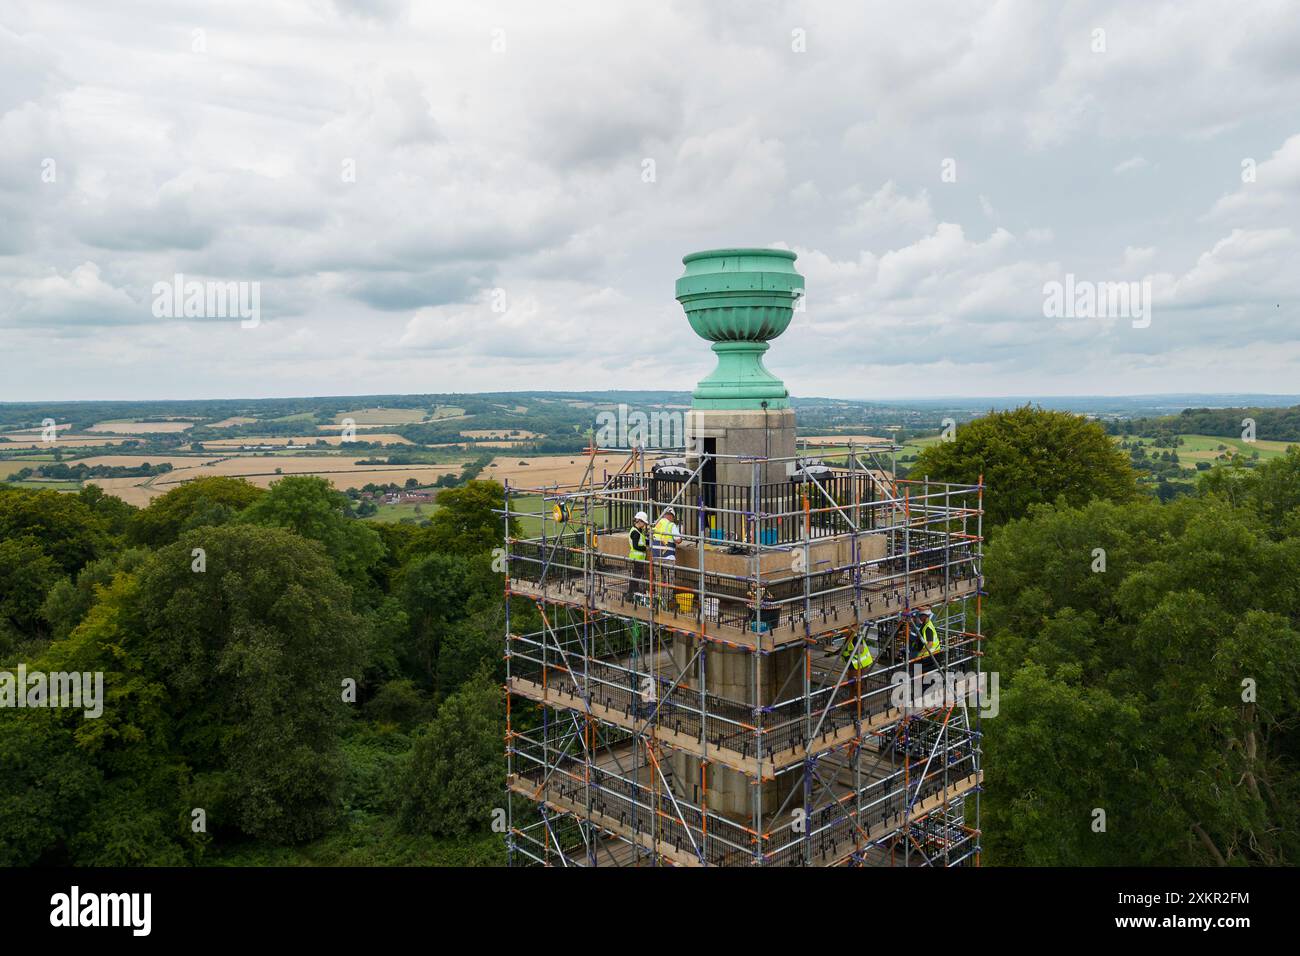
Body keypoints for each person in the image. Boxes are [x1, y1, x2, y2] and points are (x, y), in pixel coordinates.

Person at [651, 506, 680, 609]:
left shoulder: (656, 524)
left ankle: (659, 600)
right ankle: (666, 602)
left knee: (659, 579)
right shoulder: (671, 525)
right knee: (669, 580)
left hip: (655, 556)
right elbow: (678, 539)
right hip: (668, 557)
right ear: (671, 516)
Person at [627, 511, 650, 597]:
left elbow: (643, 540)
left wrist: (651, 541)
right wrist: (645, 548)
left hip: (639, 558)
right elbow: (636, 546)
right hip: (637, 558)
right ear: (639, 521)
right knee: (636, 576)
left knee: (636, 576)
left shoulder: (639, 531)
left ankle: (633, 593)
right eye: (643, 522)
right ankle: (631, 593)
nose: (644, 524)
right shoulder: (635, 532)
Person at [914, 607, 941, 672]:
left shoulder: (928, 628)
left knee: (919, 671)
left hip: (929, 655)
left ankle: (917, 681)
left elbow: (930, 644)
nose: (919, 617)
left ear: (925, 616)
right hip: (930, 654)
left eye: (920, 615)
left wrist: (920, 653)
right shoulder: (925, 623)